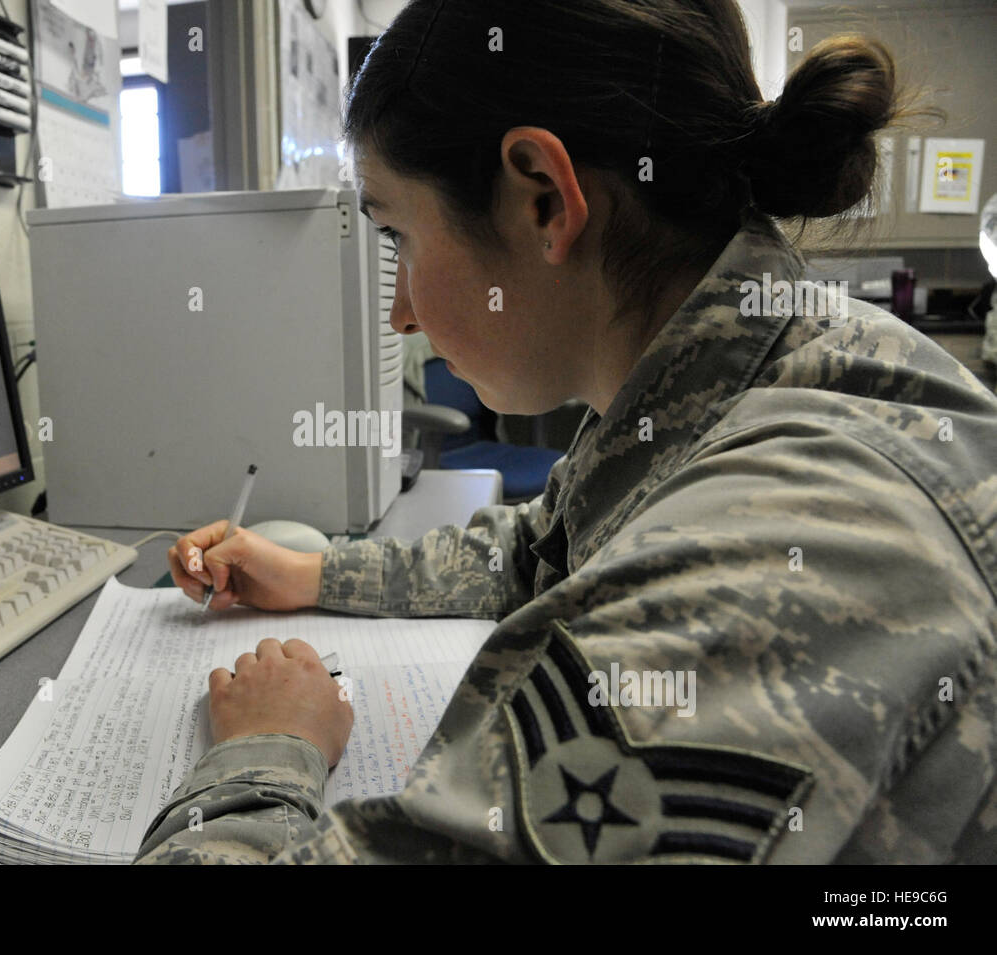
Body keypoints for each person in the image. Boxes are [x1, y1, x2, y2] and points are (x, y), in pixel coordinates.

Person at [136, 0, 997, 864]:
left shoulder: (789, 540)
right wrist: (315, 571)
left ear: (543, 199)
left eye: (397, 234)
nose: (397, 312)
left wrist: (268, 745)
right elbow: (535, 549)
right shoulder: (748, 372)